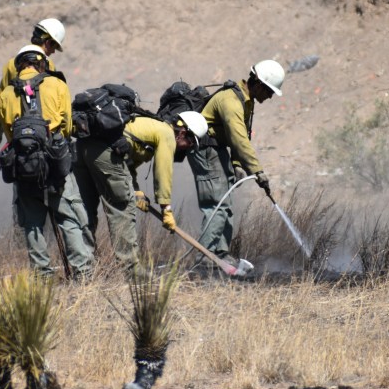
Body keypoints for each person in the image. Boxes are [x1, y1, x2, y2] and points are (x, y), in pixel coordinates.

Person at [0, 44, 94, 277]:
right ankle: (83, 272)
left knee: (32, 222)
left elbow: (8, 131)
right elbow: (68, 125)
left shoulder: (6, 93)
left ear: (19, 65)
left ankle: (43, 275)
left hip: (23, 164)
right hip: (56, 161)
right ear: (41, 63)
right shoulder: (57, 84)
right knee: (68, 216)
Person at [73, 110, 208, 273]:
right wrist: (166, 208)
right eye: (191, 143)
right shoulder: (167, 134)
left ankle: (83, 268)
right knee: (123, 208)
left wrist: (135, 190)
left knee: (85, 209)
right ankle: (130, 269)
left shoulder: (152, 127)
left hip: (83, 147)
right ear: (184, 133)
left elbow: (126, 163)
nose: (189, 148)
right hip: (104, 152)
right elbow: (163, 172)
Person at [187, 60, 285, 265]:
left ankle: (220, 253)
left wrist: (238, 164)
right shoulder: (231, 101)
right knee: (216, 203)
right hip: (206, 149)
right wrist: (257, 171)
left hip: (218, 149)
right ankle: (205, 255)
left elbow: (240, 137)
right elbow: (238, 138)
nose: (270, 97)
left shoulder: (245, 101)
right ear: (258, 85)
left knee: (226, 201)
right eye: (269, 92)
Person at [0, 18, 66, 151]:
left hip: (18, 136)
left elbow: (0, 102)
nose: (53, 52)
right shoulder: (47, 64)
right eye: (54, 46)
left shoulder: (10, 64)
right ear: (48, 42)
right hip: (42, 136)